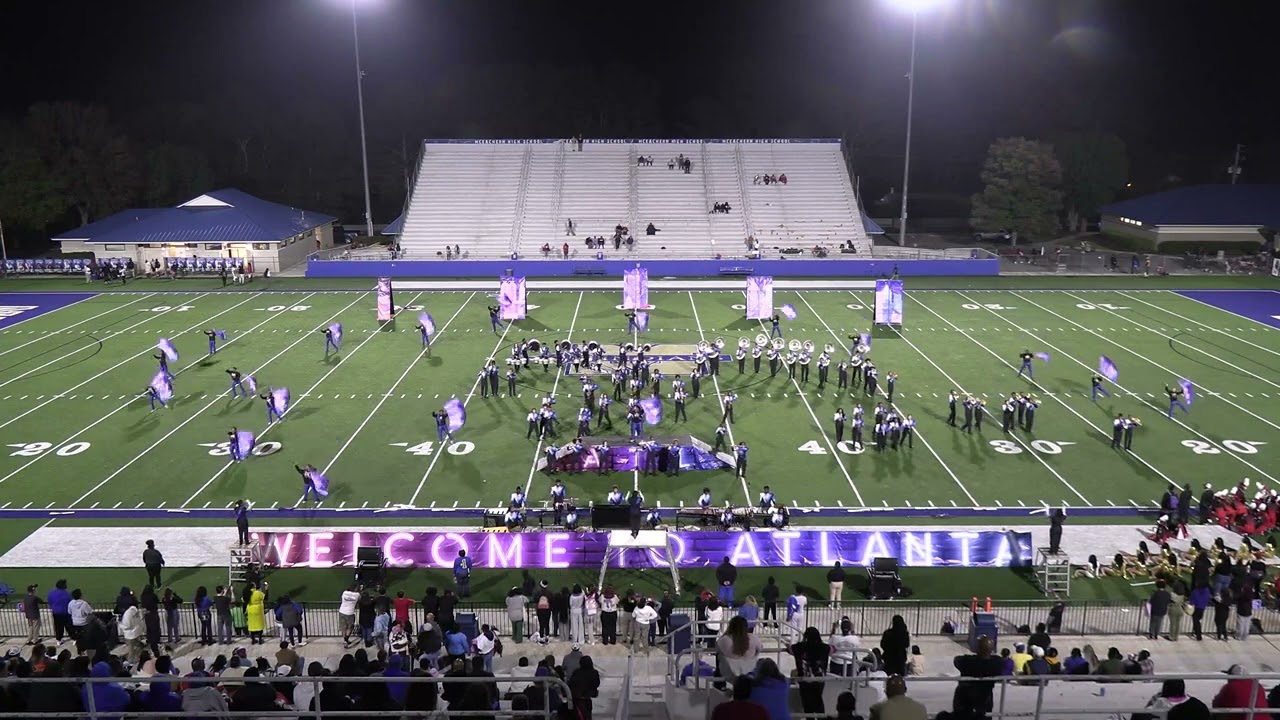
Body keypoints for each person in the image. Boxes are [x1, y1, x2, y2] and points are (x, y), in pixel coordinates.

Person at [952, 635, 1002, 719]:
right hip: (985, 698)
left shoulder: (967, 661)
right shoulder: (996, 663)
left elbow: (956, 660)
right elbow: (1000, 661)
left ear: (977, 648)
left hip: (966, 698)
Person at [791, 626, 830, 717]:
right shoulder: (824, 648)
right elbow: (833, 649)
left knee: (807, 703)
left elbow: (790, 649)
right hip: (819, 679)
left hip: (804, 679)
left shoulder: (799, 647)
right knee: (818, 700)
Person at [717, 615, 763, 683]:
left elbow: (717, 648)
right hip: (750, 672)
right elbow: (759, 650)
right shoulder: (754, 638)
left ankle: (719, 682)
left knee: (719, 656)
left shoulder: (724, 640)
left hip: (729, 673)